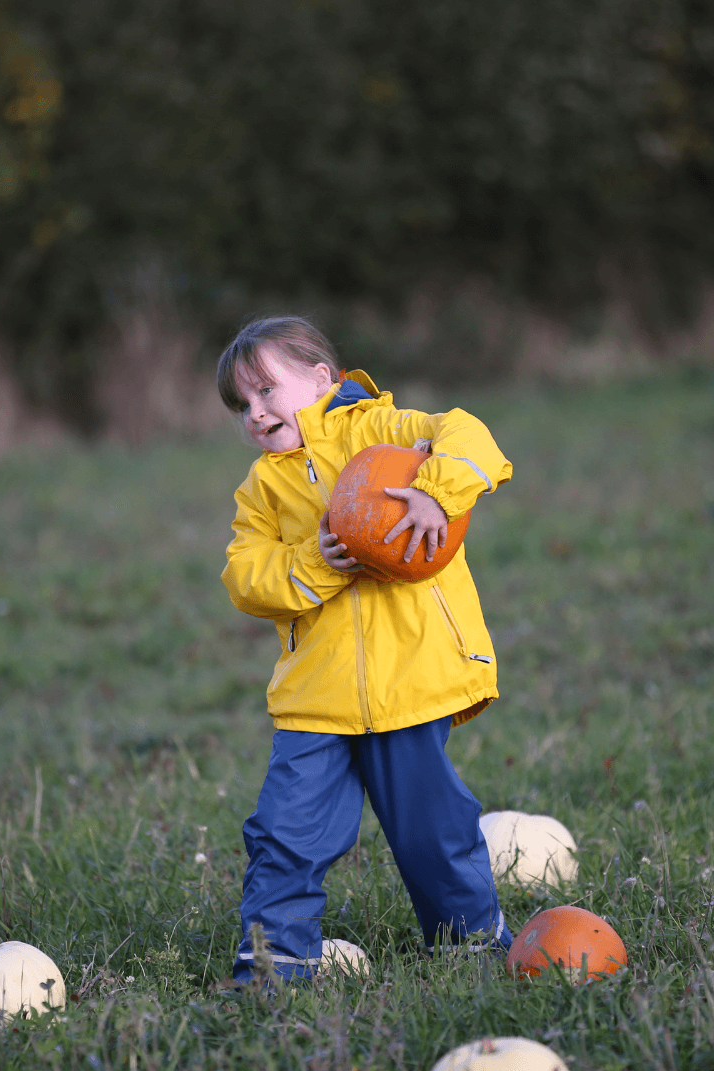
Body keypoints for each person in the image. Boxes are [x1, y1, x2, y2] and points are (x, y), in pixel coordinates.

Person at [218, 315, 514, 984]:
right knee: (285, 833)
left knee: (431, 831)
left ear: (322, 378)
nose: (256, 412)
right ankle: (273, 964)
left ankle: (471, 946)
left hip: (412, 677)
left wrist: (437, 493)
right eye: (243, 404)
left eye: (266, 390)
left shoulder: (382, 430)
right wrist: (314, 562)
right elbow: (245, 575)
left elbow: (469, 433)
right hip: (317, 695)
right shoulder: (262, 489)